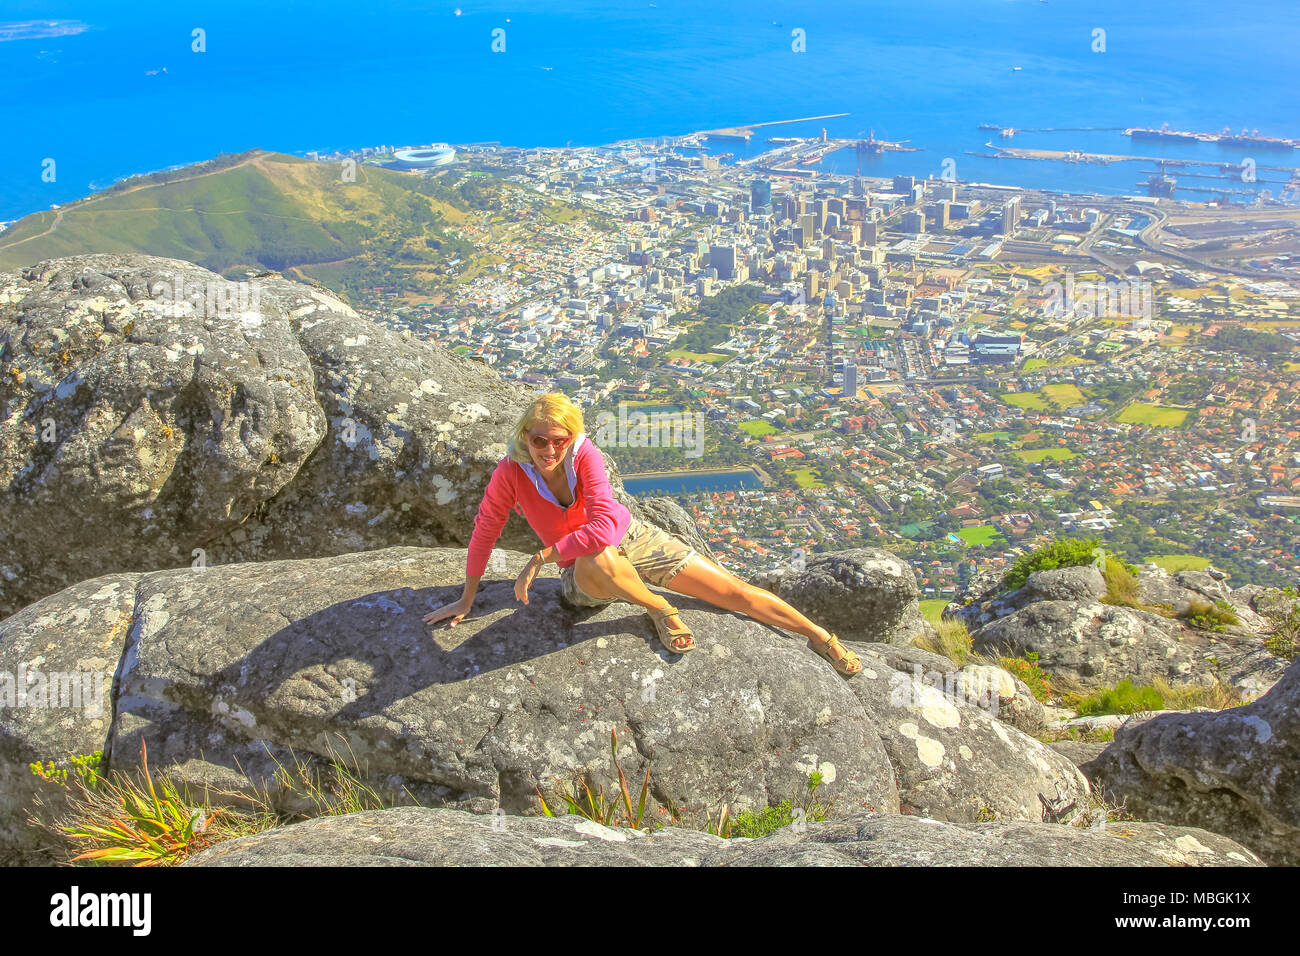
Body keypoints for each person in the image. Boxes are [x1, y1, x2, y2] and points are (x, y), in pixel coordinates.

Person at [423, 393, 861, 676]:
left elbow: (607, 524)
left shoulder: (585, 457)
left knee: (733, 592)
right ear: (525, 438)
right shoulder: (511, 473)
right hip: (585, 568)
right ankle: (658, 607)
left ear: (572, 437)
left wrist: (542, 556)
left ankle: (820, 637)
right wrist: (467, 598)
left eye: (559, 439)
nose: (549, 450)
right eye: (539, 441)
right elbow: (485, 529)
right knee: (599, 559)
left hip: (632, 536)